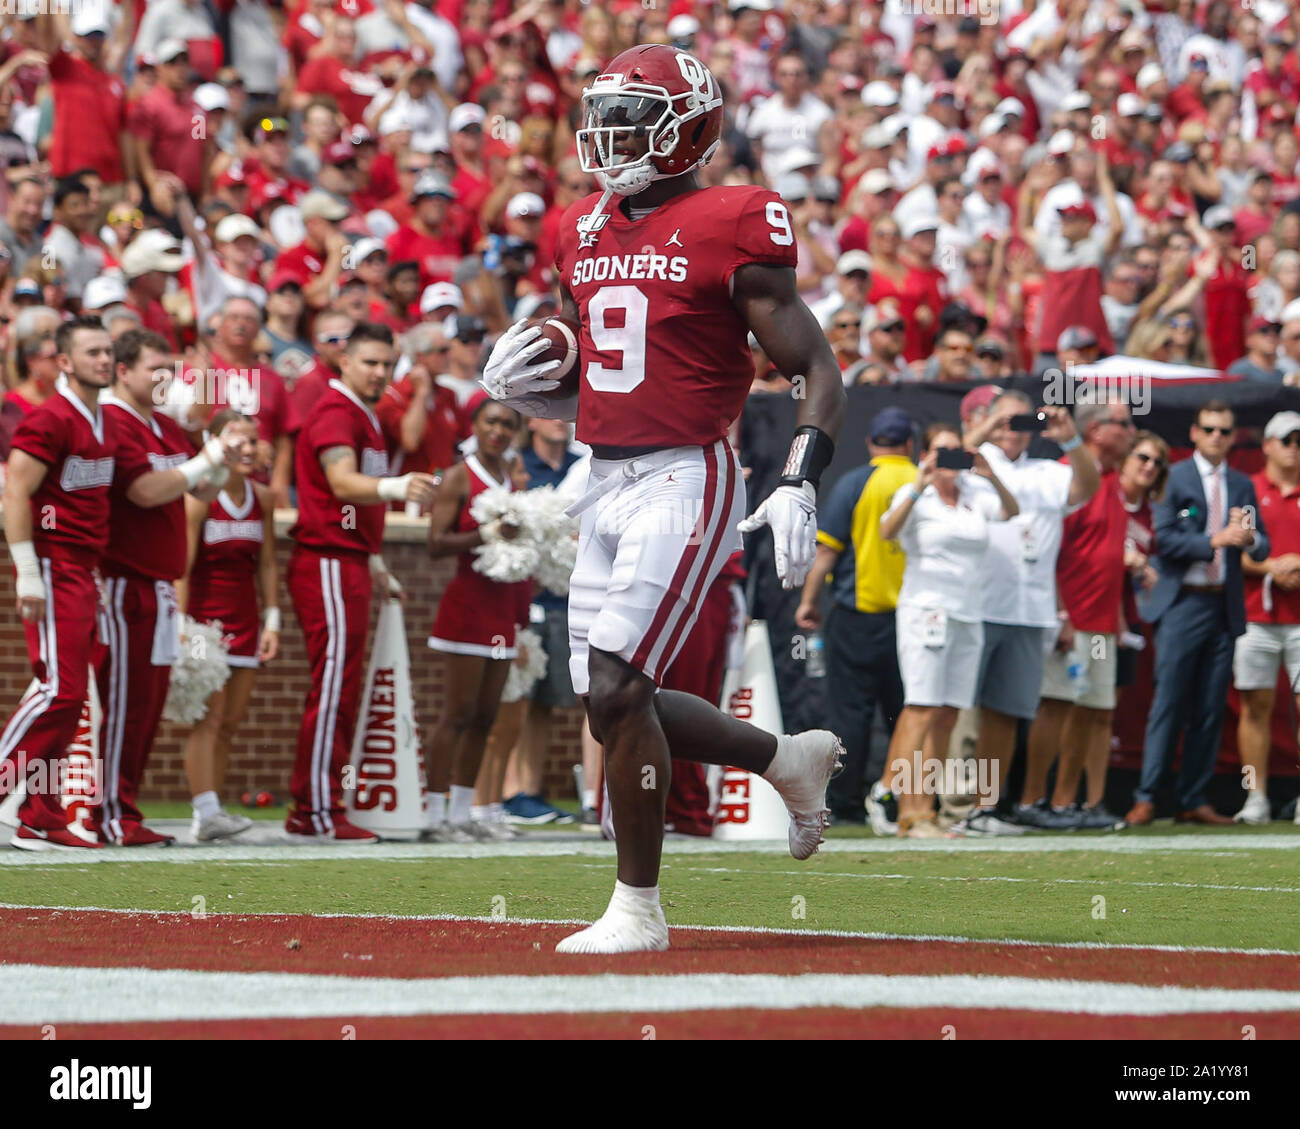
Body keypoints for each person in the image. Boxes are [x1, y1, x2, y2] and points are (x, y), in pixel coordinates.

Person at [482, 44, 847, 954]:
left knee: (617, 683)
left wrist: (800, 473)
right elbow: (611, 371)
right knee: (611, 701)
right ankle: (785, 758)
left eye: (634, 116)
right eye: (605, 115)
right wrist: (535, 388)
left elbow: (815, 365)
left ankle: (638, 909)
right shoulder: (583, 226)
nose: (611, 136)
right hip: (600, 473)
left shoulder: (735, 217)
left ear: (689, 128)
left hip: (688, 471)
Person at [286, 322, 438, 840]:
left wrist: (374, 562)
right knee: (333, 687)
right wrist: (398, 485)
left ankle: (317, 804)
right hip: (327, 559)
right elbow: (341, 482)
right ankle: (315, 809)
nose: (379, 373)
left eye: (387, 364)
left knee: (341, 685)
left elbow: (348, 501)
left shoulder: (364, 414)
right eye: (370, 362)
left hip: (347, 558)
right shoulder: (336, 410)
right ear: (343, 360)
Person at [93, 328, 236, 846]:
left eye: (169, 371)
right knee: (124, 700)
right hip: (122, 579)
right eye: (154, 369)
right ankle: (107, 811)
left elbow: (199, 487)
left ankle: (123, 809)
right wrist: (206, 458)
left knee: (148, 703)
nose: (164, 379)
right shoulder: (113, 421)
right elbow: (145, 490)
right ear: (123, 370)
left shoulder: (164, 427)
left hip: (157, 584)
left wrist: (224, 460)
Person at [0, 317, 118, 850]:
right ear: (64, 361)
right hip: (51, 561)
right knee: (58, 689)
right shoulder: (51, 418)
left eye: (108, 351)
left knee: (71, 697)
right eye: (92, 352)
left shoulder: (104, 419)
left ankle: (39, 813)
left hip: (83, 566)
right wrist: (27, 570)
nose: (104, 360)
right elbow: (15, 494)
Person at [962, 392, 1099, 833]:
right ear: (988, 420)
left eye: (1021, 420)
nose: (1012, 428)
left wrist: (1072, 439)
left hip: (1030, 607)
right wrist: (991, 424)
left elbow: (1089, 487)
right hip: (978, 602)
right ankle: (942, 806)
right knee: (961, 710)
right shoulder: (974, 456)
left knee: (1006, 712)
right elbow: (949, 454)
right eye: (1005, 420)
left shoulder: (1046, 470)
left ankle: (987, 807)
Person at [1128, 401, 1270, 826]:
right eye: (1209, 429)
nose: (1216, 437)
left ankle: (1193, 796)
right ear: (1194, 432)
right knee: (1169, 702)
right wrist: (1216, 539)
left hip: (1221, 603)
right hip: (1183, 600)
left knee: (1210, 707)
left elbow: (1259, 543)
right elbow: (1165, 540)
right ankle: (1148, 796)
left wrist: (1247, 540)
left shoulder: (1242, 485)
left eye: (1225, 431)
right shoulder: (1174, 477)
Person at [878, 423, 1018, 838]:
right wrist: (920, 484)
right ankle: (909, 812)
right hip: (925, 612)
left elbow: (1011, 512)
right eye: (942, 452)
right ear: (925, 455)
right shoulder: (912, 492)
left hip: (968, 614)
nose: (950, 460)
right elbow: (886, 530)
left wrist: (991, 474)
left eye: (956, 451)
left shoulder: (976, 493)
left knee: (949, 713)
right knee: (921, 708)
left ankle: (930, 810)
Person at [796, 407, 916, 829]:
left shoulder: (855, 483)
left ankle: (846, 803)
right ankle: (904, 799)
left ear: (871, 444)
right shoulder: (920, 481)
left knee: (851, 713)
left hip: (858, 615)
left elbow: (826, 550)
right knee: (910, 713)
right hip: (913, 621)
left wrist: (809, 601)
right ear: (909, 444)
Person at [1022, 399, 1136, 832]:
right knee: (1058, 707)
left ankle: (1068, 803)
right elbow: (1051, 548)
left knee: (1094, 712)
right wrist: (1061, 612)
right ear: (1096, 431)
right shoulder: (1071, 479)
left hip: (1105, 622)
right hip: (1074, 618)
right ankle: (1034, 799)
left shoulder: (1112, 481)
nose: (1130, 430)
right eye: (1122, 424)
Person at [425, 397, 532, 841]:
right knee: (458, 714)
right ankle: (434, 817)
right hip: (466, 608)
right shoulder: (458, 475)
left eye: (508, 424)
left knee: (487, 717)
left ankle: (463, 814)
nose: (499, 430)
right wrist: (485, 533)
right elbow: (434, 543)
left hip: (502, 610)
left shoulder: (512, 479)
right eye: (491, 421)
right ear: (475, 424)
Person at [502, 417, 584, 825]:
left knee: (547, 703)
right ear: (532, 417)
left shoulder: (582, 463)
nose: (561, 422)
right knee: (518, 696)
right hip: (525, 598)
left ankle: (530, 792)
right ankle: (507, 791)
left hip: (565, 598)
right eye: (552, 413)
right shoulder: (520, 465)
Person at [1233, 411, 1300, 825]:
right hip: (1256, 615)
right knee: (1254, 708)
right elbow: (1235, 552)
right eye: (1287, 439)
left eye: (1299, 440)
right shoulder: (1249, 489)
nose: (1294, 446)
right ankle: (1253, 797)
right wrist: (1270, 567)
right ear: (1268, 445)